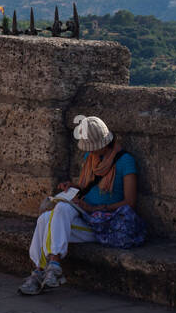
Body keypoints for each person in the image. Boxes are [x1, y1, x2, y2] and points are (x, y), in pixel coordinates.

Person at [19, 115, 141, 296]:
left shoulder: (125, 162)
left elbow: (130, 202)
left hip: (103, 223)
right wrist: (73, 187)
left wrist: (95, 209)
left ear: (104, 143)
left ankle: (46, 269)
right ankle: (45, 269)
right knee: (46, 218)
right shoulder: (91, 158)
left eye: (93, 149)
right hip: (84, 215)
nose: (91, 153)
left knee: (58, 210)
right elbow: (86, 187)